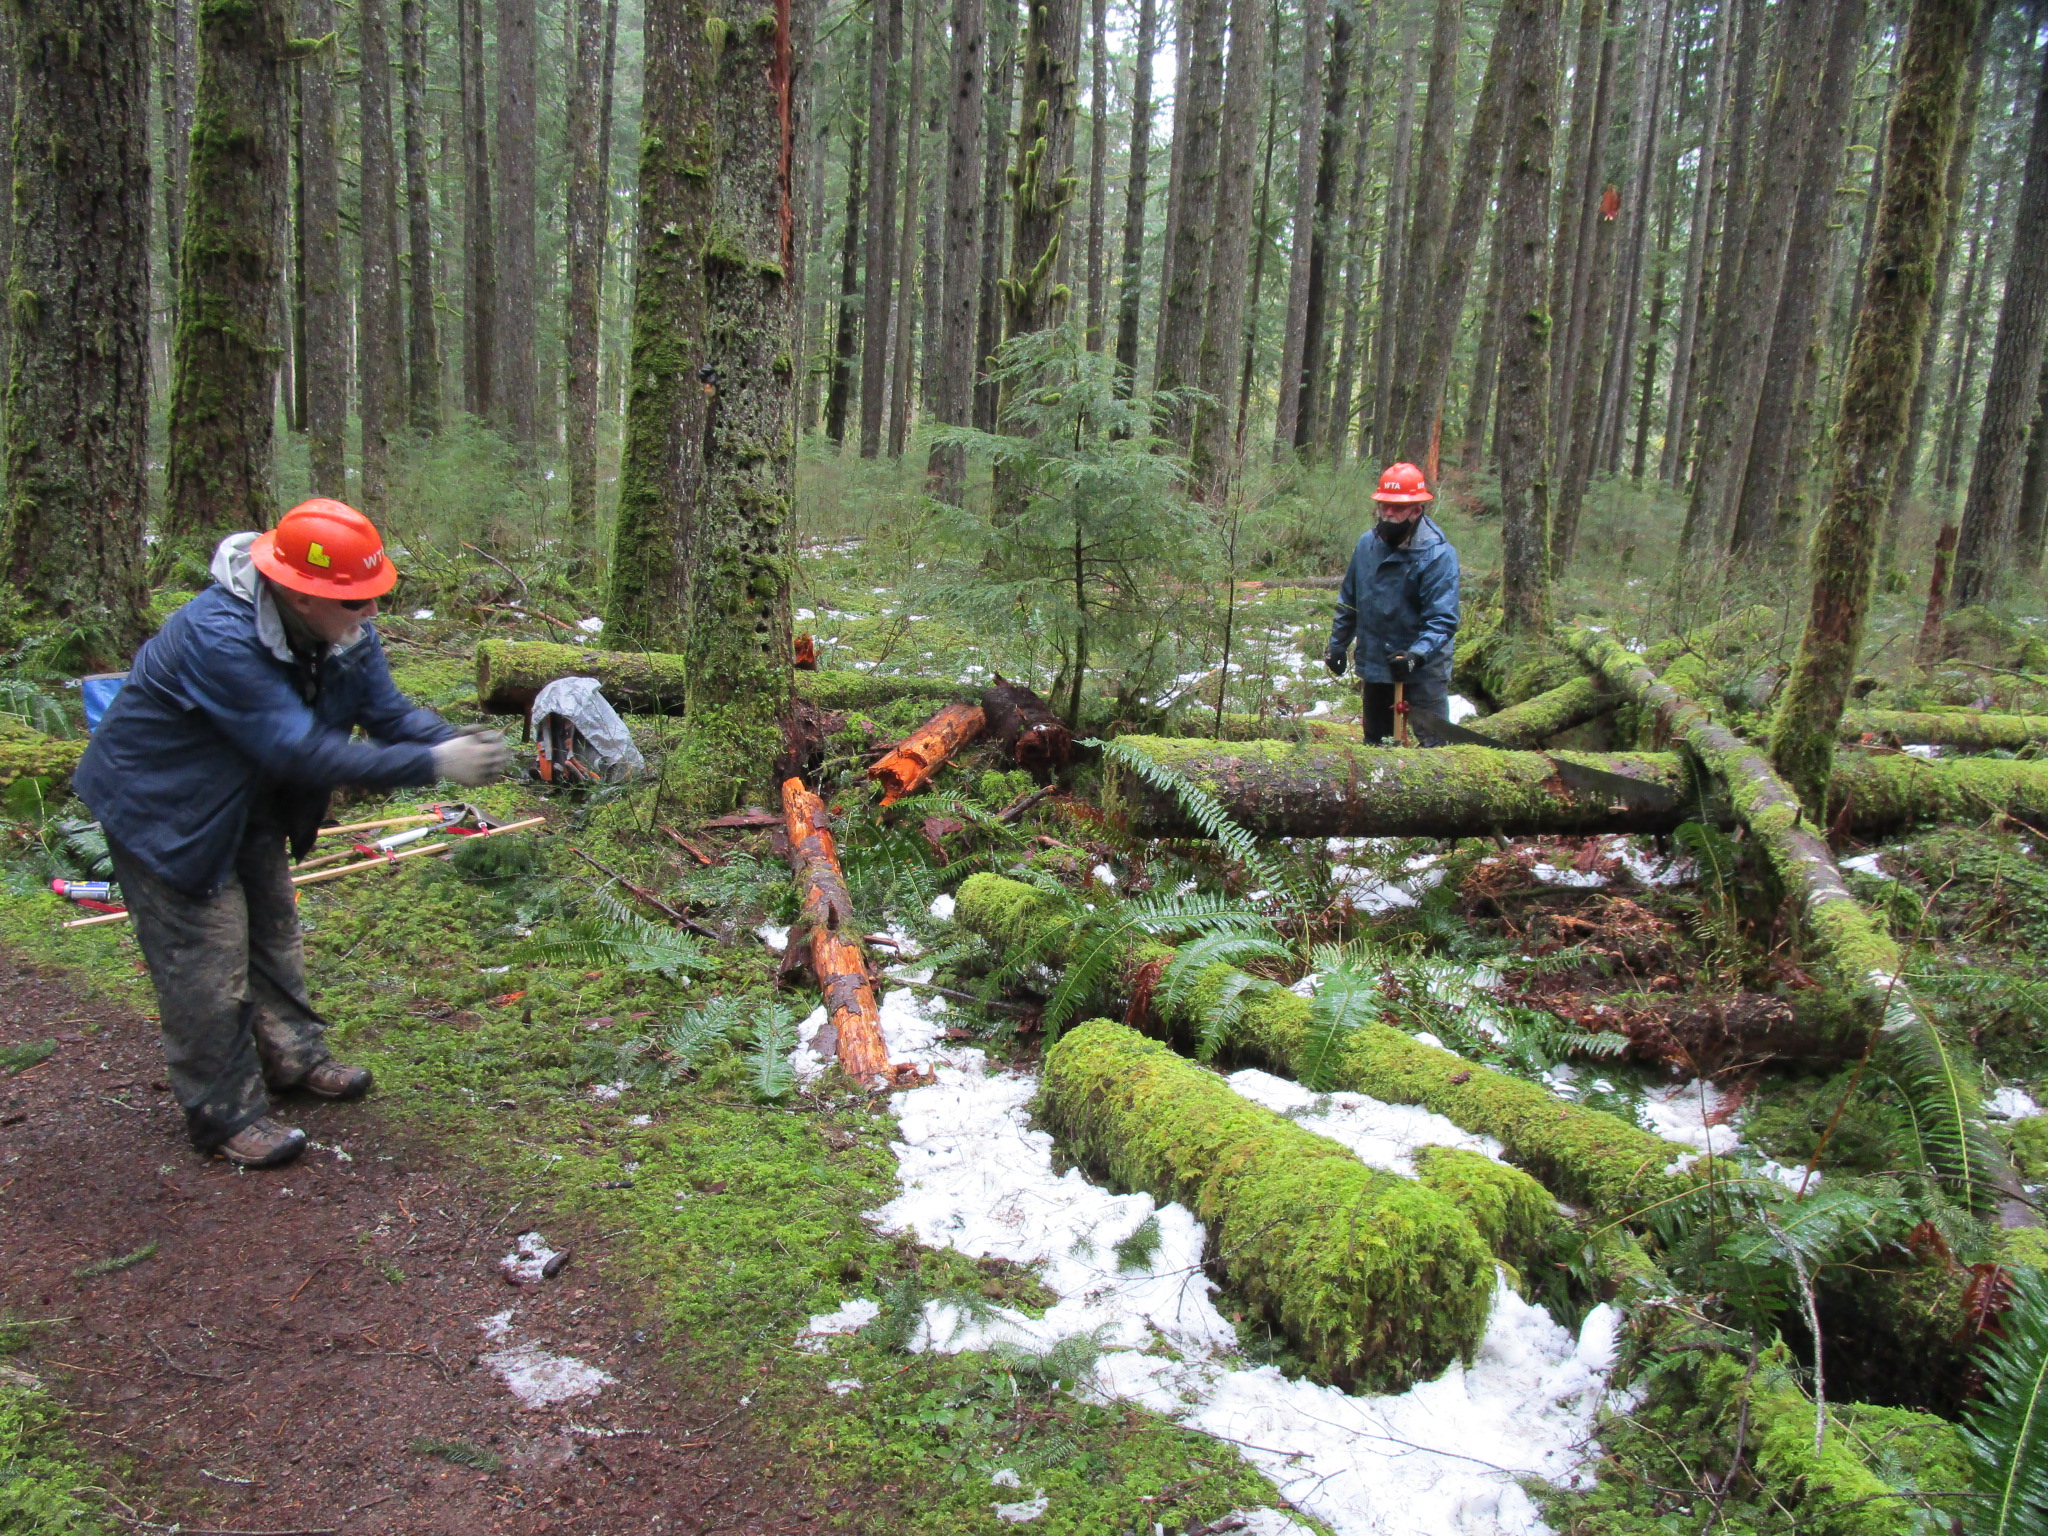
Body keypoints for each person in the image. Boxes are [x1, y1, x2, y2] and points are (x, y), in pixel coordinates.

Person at [72, 501, 512, 1169]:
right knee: (206, 959)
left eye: (373, 597)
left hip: (250, 805)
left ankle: (294, 1057)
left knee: (274, 926)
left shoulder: (342, 631)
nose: (370, 614)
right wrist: (433, 765)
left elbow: (385, 711)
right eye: (355, 601)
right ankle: (224, 1113)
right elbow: (295, 748)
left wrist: (449, 739)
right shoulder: (218, 636)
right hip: (167, 810)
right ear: (304, 595)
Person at [1325, 462, 1461, 744]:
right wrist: (1337, 644)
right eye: (1385, 505)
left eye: (1398, 508)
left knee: (1433, 746)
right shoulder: (1366, 545)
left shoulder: (1437, 555)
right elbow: (1350, 600)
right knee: (1377, 744)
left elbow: (1442, 619)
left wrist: (1416, 654)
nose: (1389, 512)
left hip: (1423, 670)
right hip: (1376, 660)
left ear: (1417, 509)